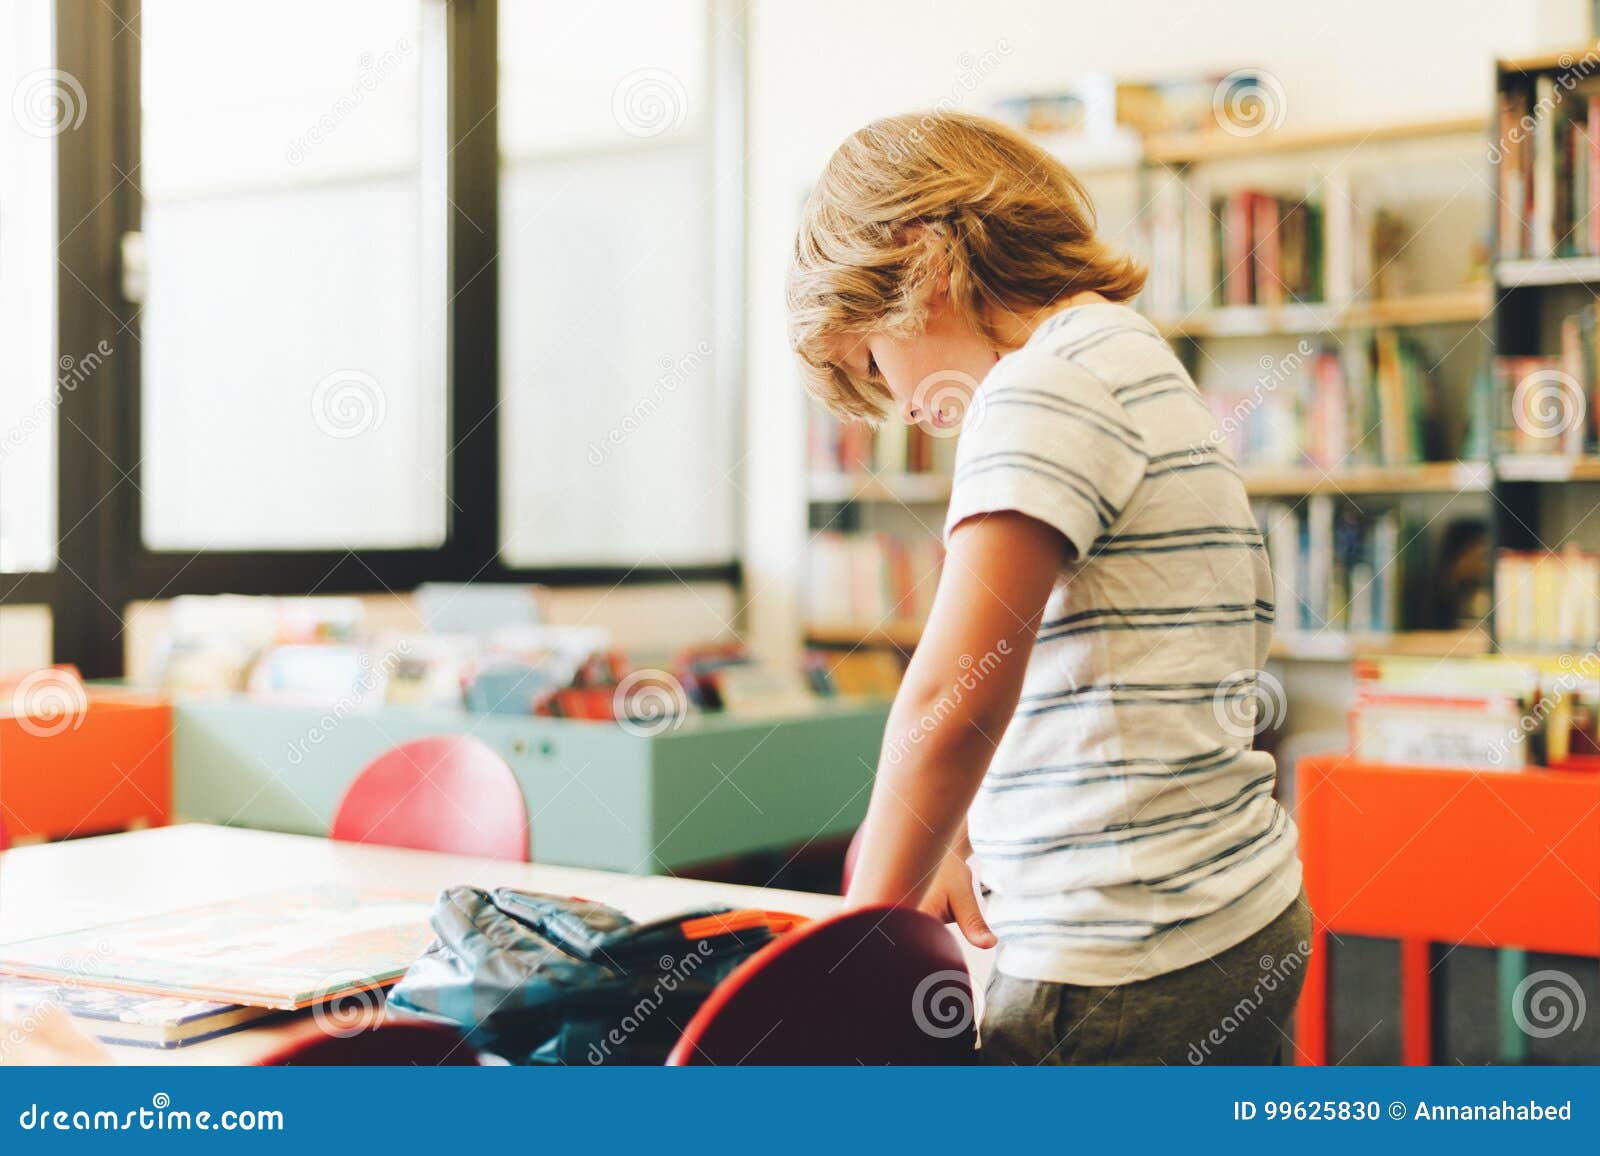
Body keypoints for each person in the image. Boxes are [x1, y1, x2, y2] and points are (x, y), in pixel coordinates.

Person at [787, 112, 1310, 1064]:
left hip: (1115, 953)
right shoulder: (1129, 355)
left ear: (924, 255)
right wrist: (951, 834)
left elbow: (953, 698)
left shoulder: (1036, 389)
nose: (903, 405)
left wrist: (853, 945)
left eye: (875, 358)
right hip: (1229, 908)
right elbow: (1075, 669)